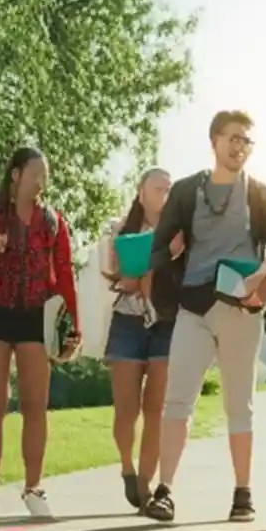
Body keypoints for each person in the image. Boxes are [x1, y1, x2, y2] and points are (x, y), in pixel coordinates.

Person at [141, 111, 266, 523]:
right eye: (233, 138)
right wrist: (169, 256)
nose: (239, 146)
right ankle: (165, 491)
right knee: (178, 400)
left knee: (240, 404)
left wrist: (263, 291)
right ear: (214, 141)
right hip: (194, 307)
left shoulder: (260, 195)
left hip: (240, 310)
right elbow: (158, 249)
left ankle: (243, 494)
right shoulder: (187, 191)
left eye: (246, 140)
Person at [0, 147, 81, 521]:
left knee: (35, 403)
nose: (41, 182)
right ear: (16, 175)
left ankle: (33, 488)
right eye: (35, 174)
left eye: (45, 175)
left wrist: (74, 326)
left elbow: (64, 274)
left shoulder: (52, 221)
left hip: (35, 317)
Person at [99, 167, 185, 511]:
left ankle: (146, 486)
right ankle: (127, 467)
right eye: (158, 187)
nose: (165, 193)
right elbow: (112, 274)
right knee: (126, 409)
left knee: (155, 408)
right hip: (128, 322)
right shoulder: (120, 229)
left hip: (166, 323)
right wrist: (126, 272)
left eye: (169, 188)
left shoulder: (180, 235)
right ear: (142, 193)